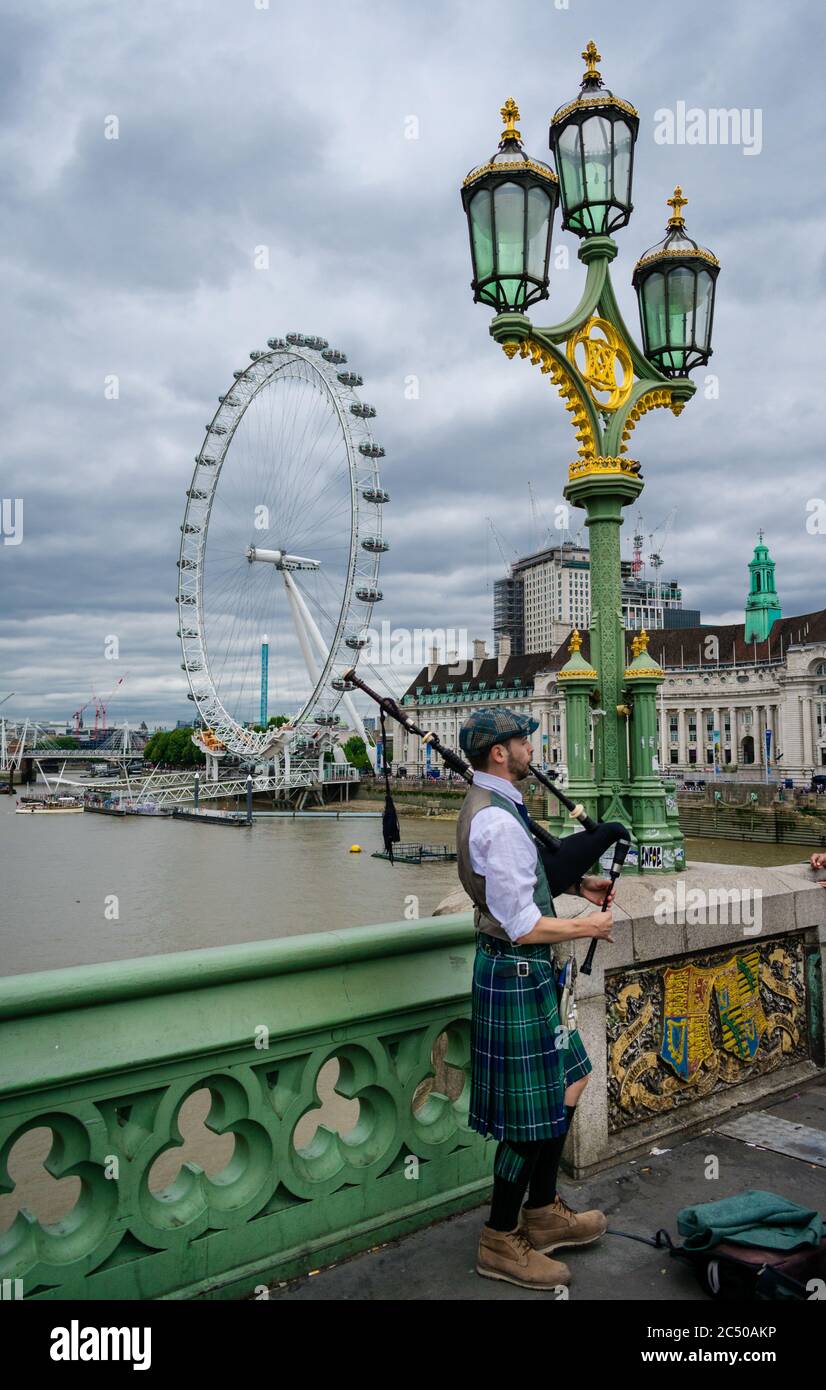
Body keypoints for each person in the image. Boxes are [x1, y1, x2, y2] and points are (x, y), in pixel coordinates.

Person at [456, 707, 616, 1292]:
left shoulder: (498, 804)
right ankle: (500, 1238)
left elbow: (520, 881)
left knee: (571, 1080)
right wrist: (587, 927)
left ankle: (543, 1211)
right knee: (528, 1120)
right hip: (513, 969)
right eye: (523, 739)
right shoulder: (495, 820)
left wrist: (577, 885)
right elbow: (520, 922)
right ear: (500, 752)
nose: (531, 746)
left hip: (525, 975)